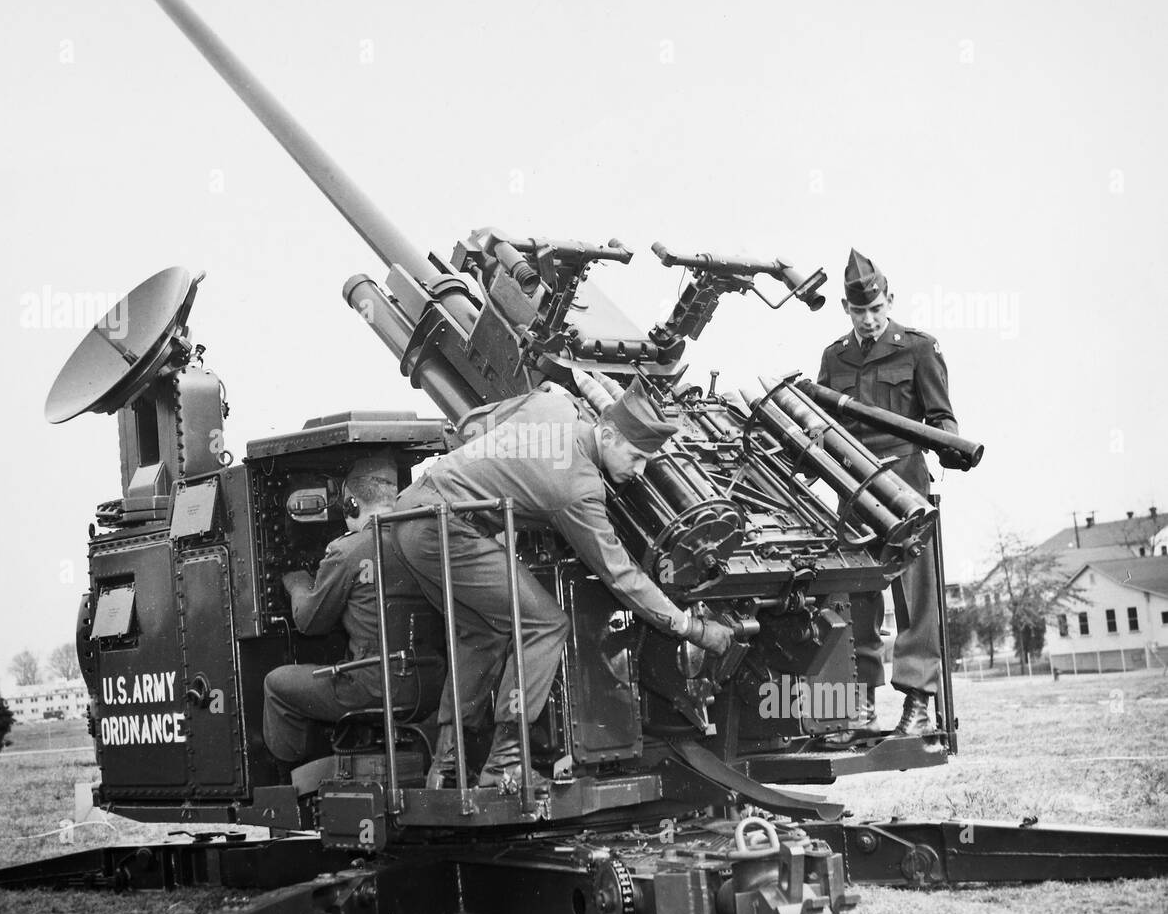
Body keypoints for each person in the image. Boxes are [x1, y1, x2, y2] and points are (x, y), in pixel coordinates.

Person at [387, 378, 734, 793]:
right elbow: (619, 574)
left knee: (483, 631)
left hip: (409, 517)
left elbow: (474, 424)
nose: (639, 471)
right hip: (444, 530)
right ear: (606, 433)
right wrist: (689, 626)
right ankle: (506, 765)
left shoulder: (553, 405)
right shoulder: (577, 489)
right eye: (636, 456)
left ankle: (446, 766)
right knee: (544, 625)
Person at [818, 248, 958, 737]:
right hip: (852, 490)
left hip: (905, 487)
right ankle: (860, 699)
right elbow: (821, 427)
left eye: (877, 309)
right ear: (846, 309)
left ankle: (918, 702)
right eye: (860, 312)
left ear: (889, 301)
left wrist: (949, 445)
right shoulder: (833, 357)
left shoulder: (919, 348)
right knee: (856, 594)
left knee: (914, 597)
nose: (870, 320)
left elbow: (941, 418)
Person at [261, 451, 444, 766]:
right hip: (431, 683)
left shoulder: (348, 549)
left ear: (351, 505)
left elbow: (308, 621)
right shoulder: (424, 539)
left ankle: (290, 779)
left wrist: (297, 583)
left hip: (375, 687)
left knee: (276, 684)